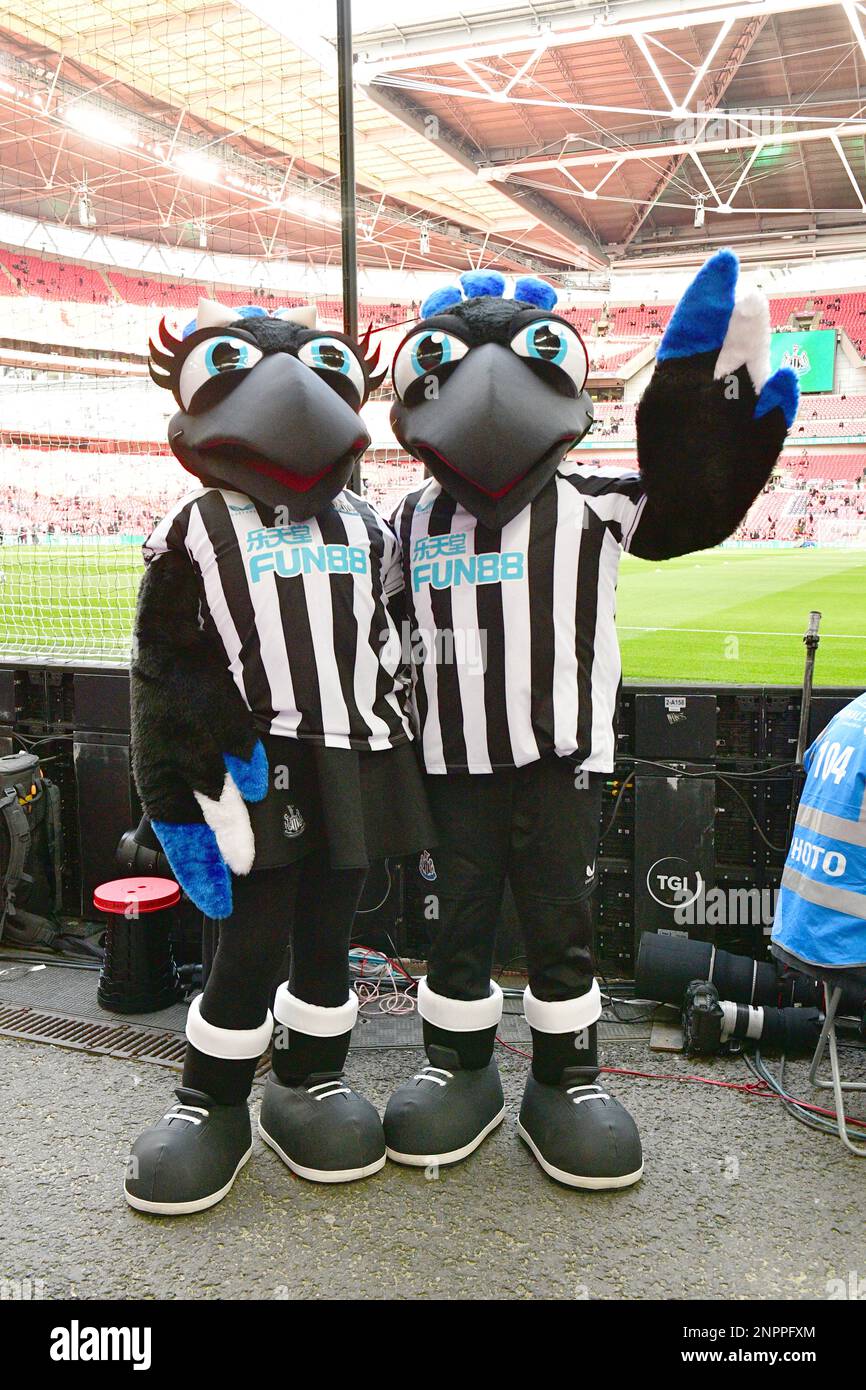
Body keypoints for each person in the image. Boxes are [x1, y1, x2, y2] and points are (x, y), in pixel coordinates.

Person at [382, 252, 798, 1189]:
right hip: (450, 766)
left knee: (562, 924)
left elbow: (685, 508)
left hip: (558, 761)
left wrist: (701, 424)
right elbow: (392, 633)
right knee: (458, 930)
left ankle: (568, 1080)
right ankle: (457, 1068)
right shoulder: (410, 519)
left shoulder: (593, 505)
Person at [124, 298, 435, 1214]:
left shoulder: (365, 525)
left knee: (332, 930)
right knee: (251, 937)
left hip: (355, 749)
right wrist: (175, 793)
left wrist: (400, 737)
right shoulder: (194, 527)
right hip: (258, 761)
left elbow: (391, 635)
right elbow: (164, 666)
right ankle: (210, 1100)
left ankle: (312, 1078)